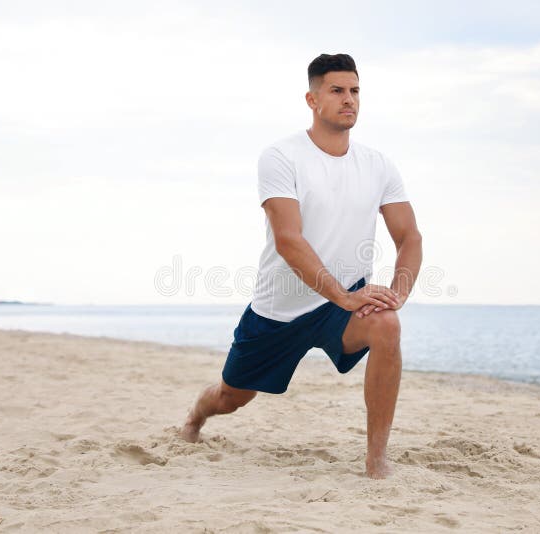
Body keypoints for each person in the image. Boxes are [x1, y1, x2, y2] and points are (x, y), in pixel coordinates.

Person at [181, 53, 422, 479]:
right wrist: (344, 296)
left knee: (387, 324)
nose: (349, 100)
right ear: (312, 99)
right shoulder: (280, 156)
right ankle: (194, 419)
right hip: (279, 310)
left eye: (355, 91)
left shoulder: (378, 165)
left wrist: (397, 294)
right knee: (230, 397)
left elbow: (409, 238)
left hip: (341, 306)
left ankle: (376, 461)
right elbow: (289, 240)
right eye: (337, 91)